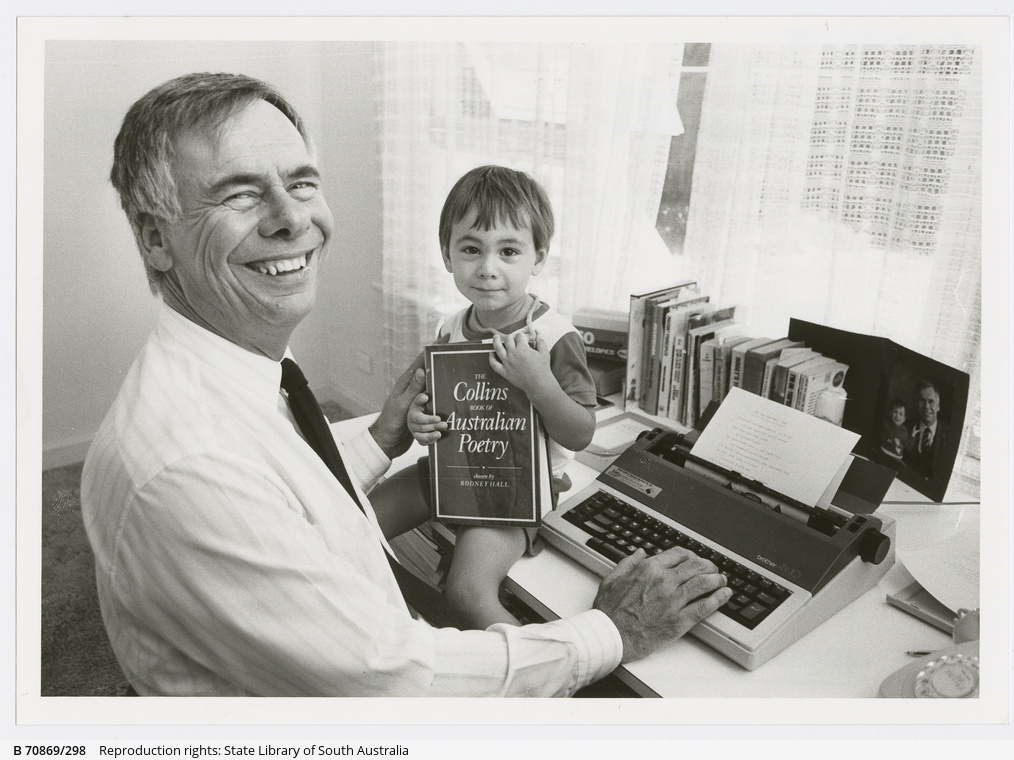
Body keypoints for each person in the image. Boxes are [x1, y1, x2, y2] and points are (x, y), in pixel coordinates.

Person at [80, 71, 732, 697]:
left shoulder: (247, 372)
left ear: (538, 257)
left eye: (302, 182)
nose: (288, 217)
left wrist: (387, 437)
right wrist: (609, 632)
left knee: (456, 579)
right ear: (155, 239)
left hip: (504, 498)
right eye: (239, 193)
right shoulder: (189, 465)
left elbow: (300, 508)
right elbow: (393, 682)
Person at [369, 166, 596, 630]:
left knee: (467, 592)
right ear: (448, 256)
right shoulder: (450, 328)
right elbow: (432, 408)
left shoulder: (553, 336)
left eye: (509, 251)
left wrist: (539, 384)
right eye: (471, 249)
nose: (488, 268)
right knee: (356, 527)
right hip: (450, 471)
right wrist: (420, 421)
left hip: (517, 489)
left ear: (538, 257)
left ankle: (543, 683)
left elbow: (581, 432)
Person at [903, 381, 949, 479]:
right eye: (922, 401)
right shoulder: (906, 426)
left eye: (931, 402)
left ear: (938, 406)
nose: (926, 406)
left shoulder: (948, 434)